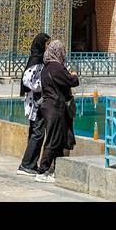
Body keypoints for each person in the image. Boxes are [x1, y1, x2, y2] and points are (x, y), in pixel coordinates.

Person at [34, 39, 79, 182]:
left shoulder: (46, 67)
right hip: (55, 107)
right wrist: (74, 74)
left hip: (48, 106)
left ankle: (54, 169)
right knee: (53, 139)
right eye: (62, 50)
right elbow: (72, 82)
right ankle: (42, 171)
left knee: (57, 138)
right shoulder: (56, 67)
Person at [17, 32, 50, 176]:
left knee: (35, 132)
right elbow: (27, 79)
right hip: (36, 102)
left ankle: (31, 164)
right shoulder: (36, 60)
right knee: (38, 132)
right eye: (47, 43)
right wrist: (42, 86)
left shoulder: (40, 59)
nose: (48, 46)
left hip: (35, 102)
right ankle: (26, 165)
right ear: (41, 44)